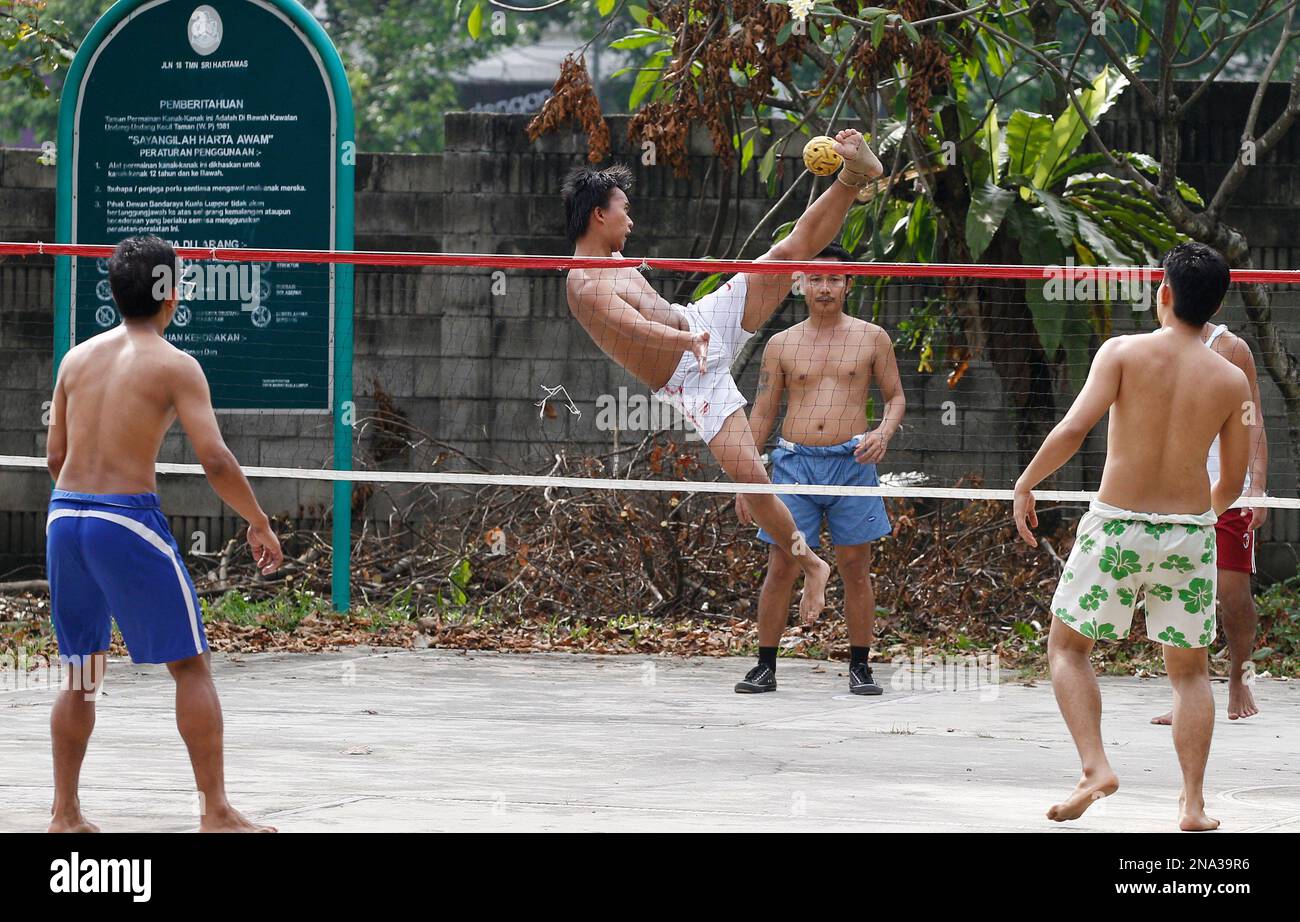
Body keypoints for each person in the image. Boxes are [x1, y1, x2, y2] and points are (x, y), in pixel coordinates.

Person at [563, 129, 883, 624]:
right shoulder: (582, 280)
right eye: (623, 208)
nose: (631, 218)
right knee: (754, 481)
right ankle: (810, 563)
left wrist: (690, 332)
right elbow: (636, 327)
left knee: (785, 254)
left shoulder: (618, 261)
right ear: (598, 214)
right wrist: (683, 343)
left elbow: (659, 315)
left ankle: (852, 178)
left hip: (701, 322)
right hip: (688, 373)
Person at [44, 235, 284, 833]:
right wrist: (258, 521)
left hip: (63, 517)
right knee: (190, 666)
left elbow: (55, 457)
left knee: (81, 672)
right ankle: (216, 812)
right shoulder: (176, 365)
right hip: (124, 521)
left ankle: (64, 814)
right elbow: (218, 462)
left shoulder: (75, 359)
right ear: (171, 294)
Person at [1013, 242, 1250, 831]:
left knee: (1068, 648)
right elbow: (1236, 479)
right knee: (1190, 673)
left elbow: (1072, 429)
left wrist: (1026, 483)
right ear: (1215, 305)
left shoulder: (1121, 352)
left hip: (1116, 523)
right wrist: (1198, 516)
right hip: (1188, 533)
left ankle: (1096, 768)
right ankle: (1192, 805)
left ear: (1163, 294)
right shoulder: (1231, 379)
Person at [732, 244, 904, 695]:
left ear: (848, 284)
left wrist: (883, 433)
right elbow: (763, 413)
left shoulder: (873, 338)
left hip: (853, 464)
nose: (824, 287)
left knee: (854, 565)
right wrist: (745, 480)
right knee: (783, 562)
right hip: (794, 466)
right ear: (802, 284)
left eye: (834, 279)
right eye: (815, 279)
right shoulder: (781, 344)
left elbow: (895, 398)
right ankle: (765, 665)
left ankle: (861, 666)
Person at [1151, 320, 1269, 723]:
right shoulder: (1151, 347)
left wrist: (1258, 490)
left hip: (1229, 490)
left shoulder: (1230, 349)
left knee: (1232, 593)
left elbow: (1252, 421)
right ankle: (1188, 693)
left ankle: (1240, 675)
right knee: (1178, 590)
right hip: (1177, 491)